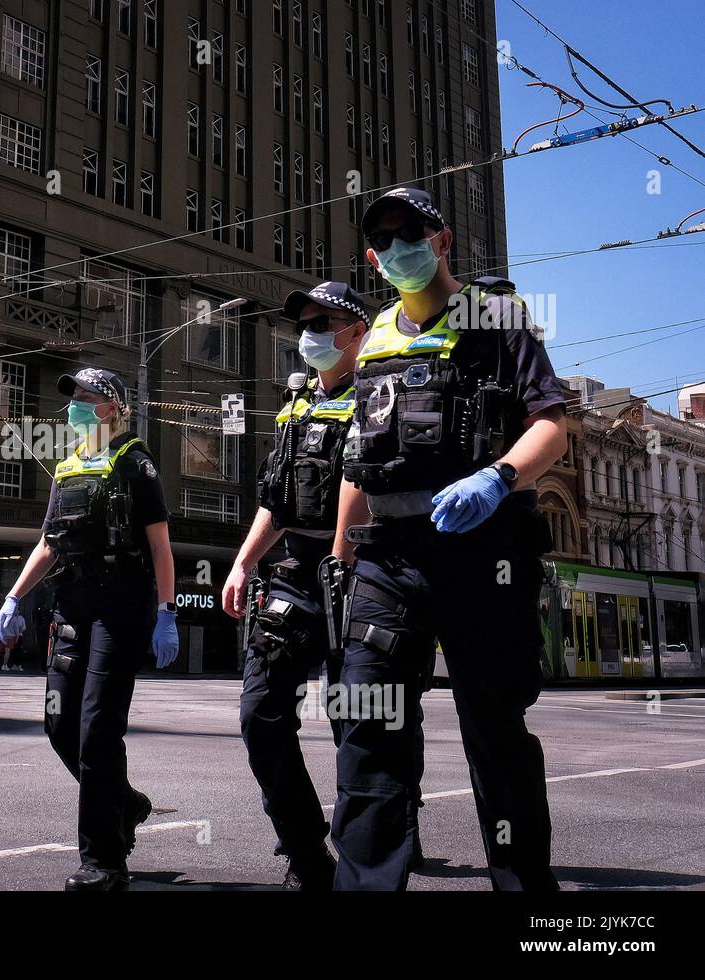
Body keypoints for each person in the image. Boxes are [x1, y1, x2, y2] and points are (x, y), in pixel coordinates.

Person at [331, 187, 568, 890]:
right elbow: (358, 455)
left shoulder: (496, 317)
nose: (401, 244)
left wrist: (499, 477)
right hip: (389, 558)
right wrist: (340, 556)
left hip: (483, 550)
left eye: (414, 230)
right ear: (375, 260)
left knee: (495, 735)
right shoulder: (375, 335)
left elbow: (550, 424)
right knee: (367, 729)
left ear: (444, 240)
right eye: (386, 237)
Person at [0, 368, 177, 891]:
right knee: (59, 725)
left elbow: (160, 546)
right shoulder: (69, 466)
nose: (74, 406)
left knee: (98, 732)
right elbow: (49, 543)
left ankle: (104, 862)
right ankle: (127, 803)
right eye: (72, 397)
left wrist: (167, 613)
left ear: (112, 407)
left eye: (85, 397)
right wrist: (15, 596)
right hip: (74, 607)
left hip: (122, 608)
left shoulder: (135, 464)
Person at [220, 281, 370, 891]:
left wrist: (340, 564)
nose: (310, 332)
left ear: (357, 330)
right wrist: (242, 562)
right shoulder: (299, 403)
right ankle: (308, 852)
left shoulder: (377, 396)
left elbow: (365, 490)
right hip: (298, 570)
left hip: (363, 571)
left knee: (357, 720)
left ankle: (379, 844)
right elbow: (276, 500)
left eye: (323, 320)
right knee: (261, 713)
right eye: (304, 322)